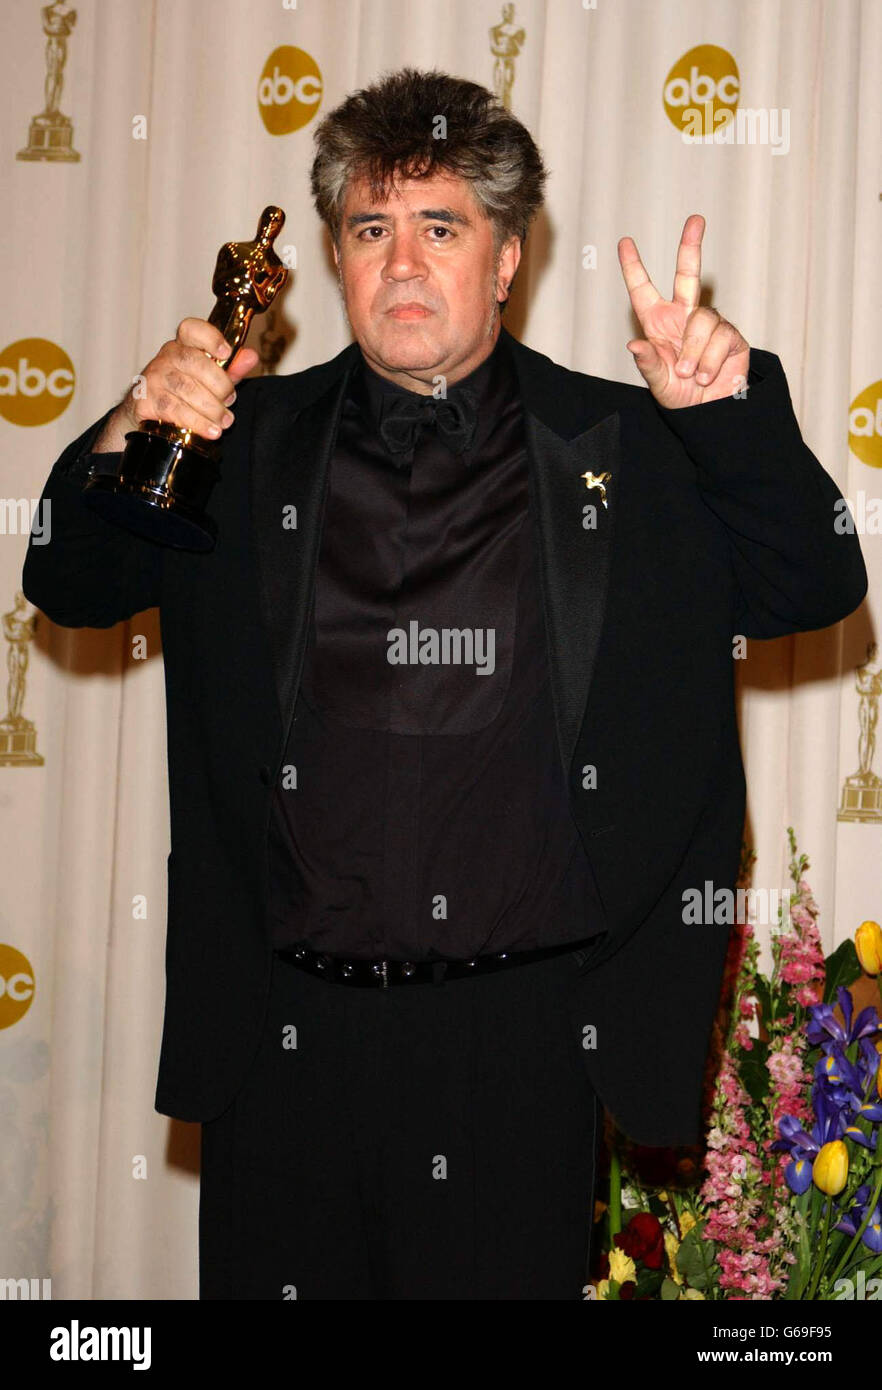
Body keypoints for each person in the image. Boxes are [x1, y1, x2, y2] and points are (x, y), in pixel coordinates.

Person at [22, 67, 867, 1301]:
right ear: (333, 256)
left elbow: (813, 585)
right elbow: (70, 580)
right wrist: (129, 427)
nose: (403, 263)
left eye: (440, 226)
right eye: (372, 229)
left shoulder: (626, 447)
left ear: (509, 257)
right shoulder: (235, 442)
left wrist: (727, 413)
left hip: (518, 1052)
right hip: (282, 1045)